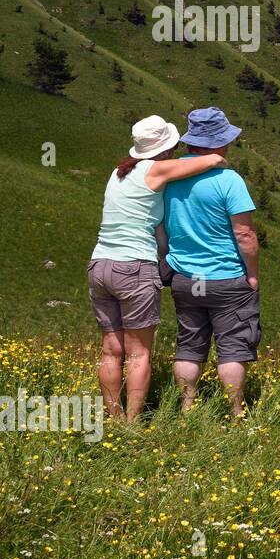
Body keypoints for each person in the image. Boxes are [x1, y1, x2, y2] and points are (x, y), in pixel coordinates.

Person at [88, 116, 228, 420]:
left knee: (111, 351)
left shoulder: (118, 173)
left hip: (100, 264)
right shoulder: (156, 169)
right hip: (134, 267)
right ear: (166, 148)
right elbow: (212, 160)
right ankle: (133, 423)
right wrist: (217, 155)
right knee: (138, 354)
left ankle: (112, 418)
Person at [159, 107, 260, 418]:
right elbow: (244, 233)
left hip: (186, 277)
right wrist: (252, 274)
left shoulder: (167, 174)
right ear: (217, 143)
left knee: (189, 344)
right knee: (233, 346)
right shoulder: (228, 179)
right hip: (225, 276)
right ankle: (235, 410)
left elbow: (158, 224)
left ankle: (187, 408)